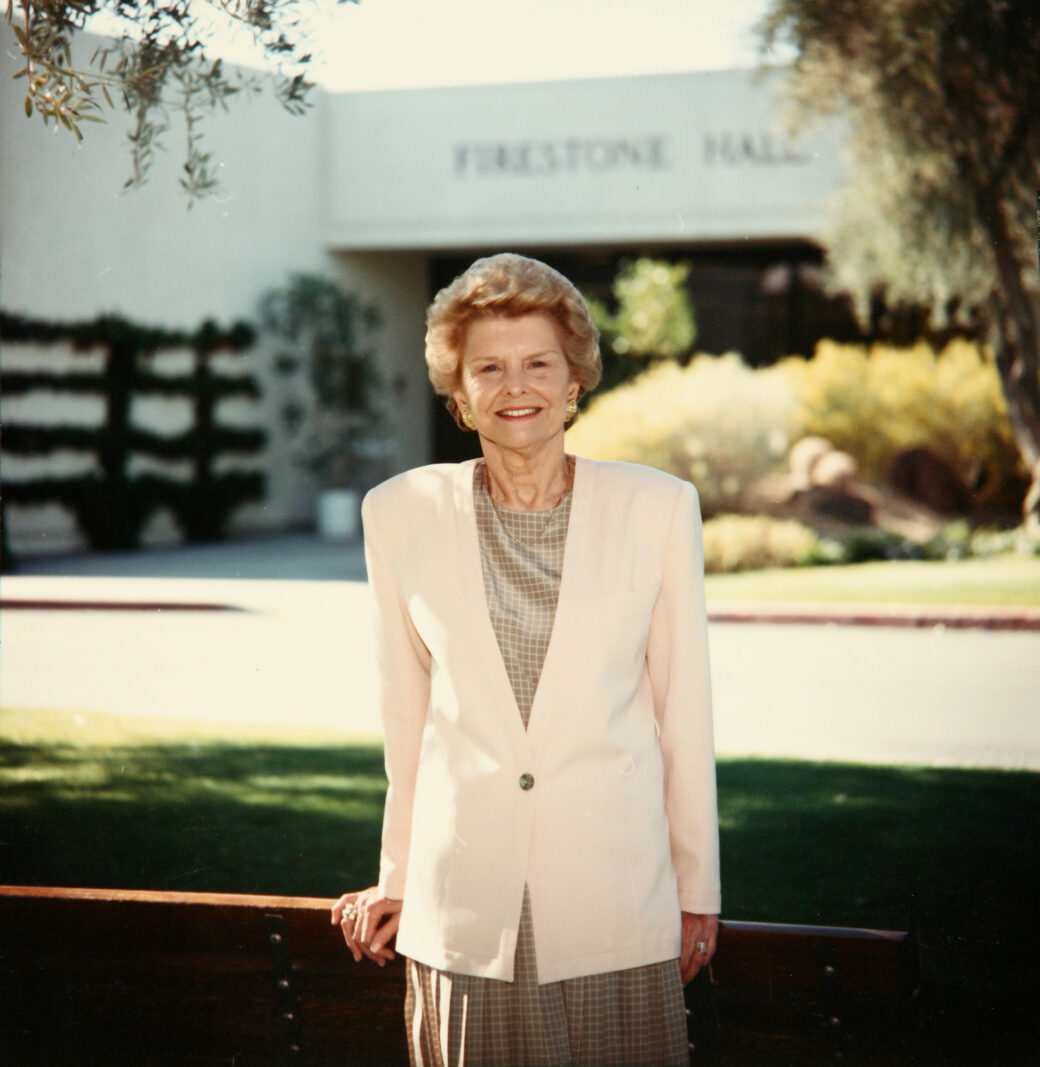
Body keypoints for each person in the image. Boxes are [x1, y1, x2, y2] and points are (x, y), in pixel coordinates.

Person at [332, 253, 720, 1067]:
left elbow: (682, 714)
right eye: (490, 369)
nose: (517, 386)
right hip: (462, 913)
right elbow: (406, 717)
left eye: (539, 363)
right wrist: (396, 872)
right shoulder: (399, 514)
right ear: (460, 394)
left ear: (574, 380)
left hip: (617, 906)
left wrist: (696, 891)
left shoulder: (656, 507)